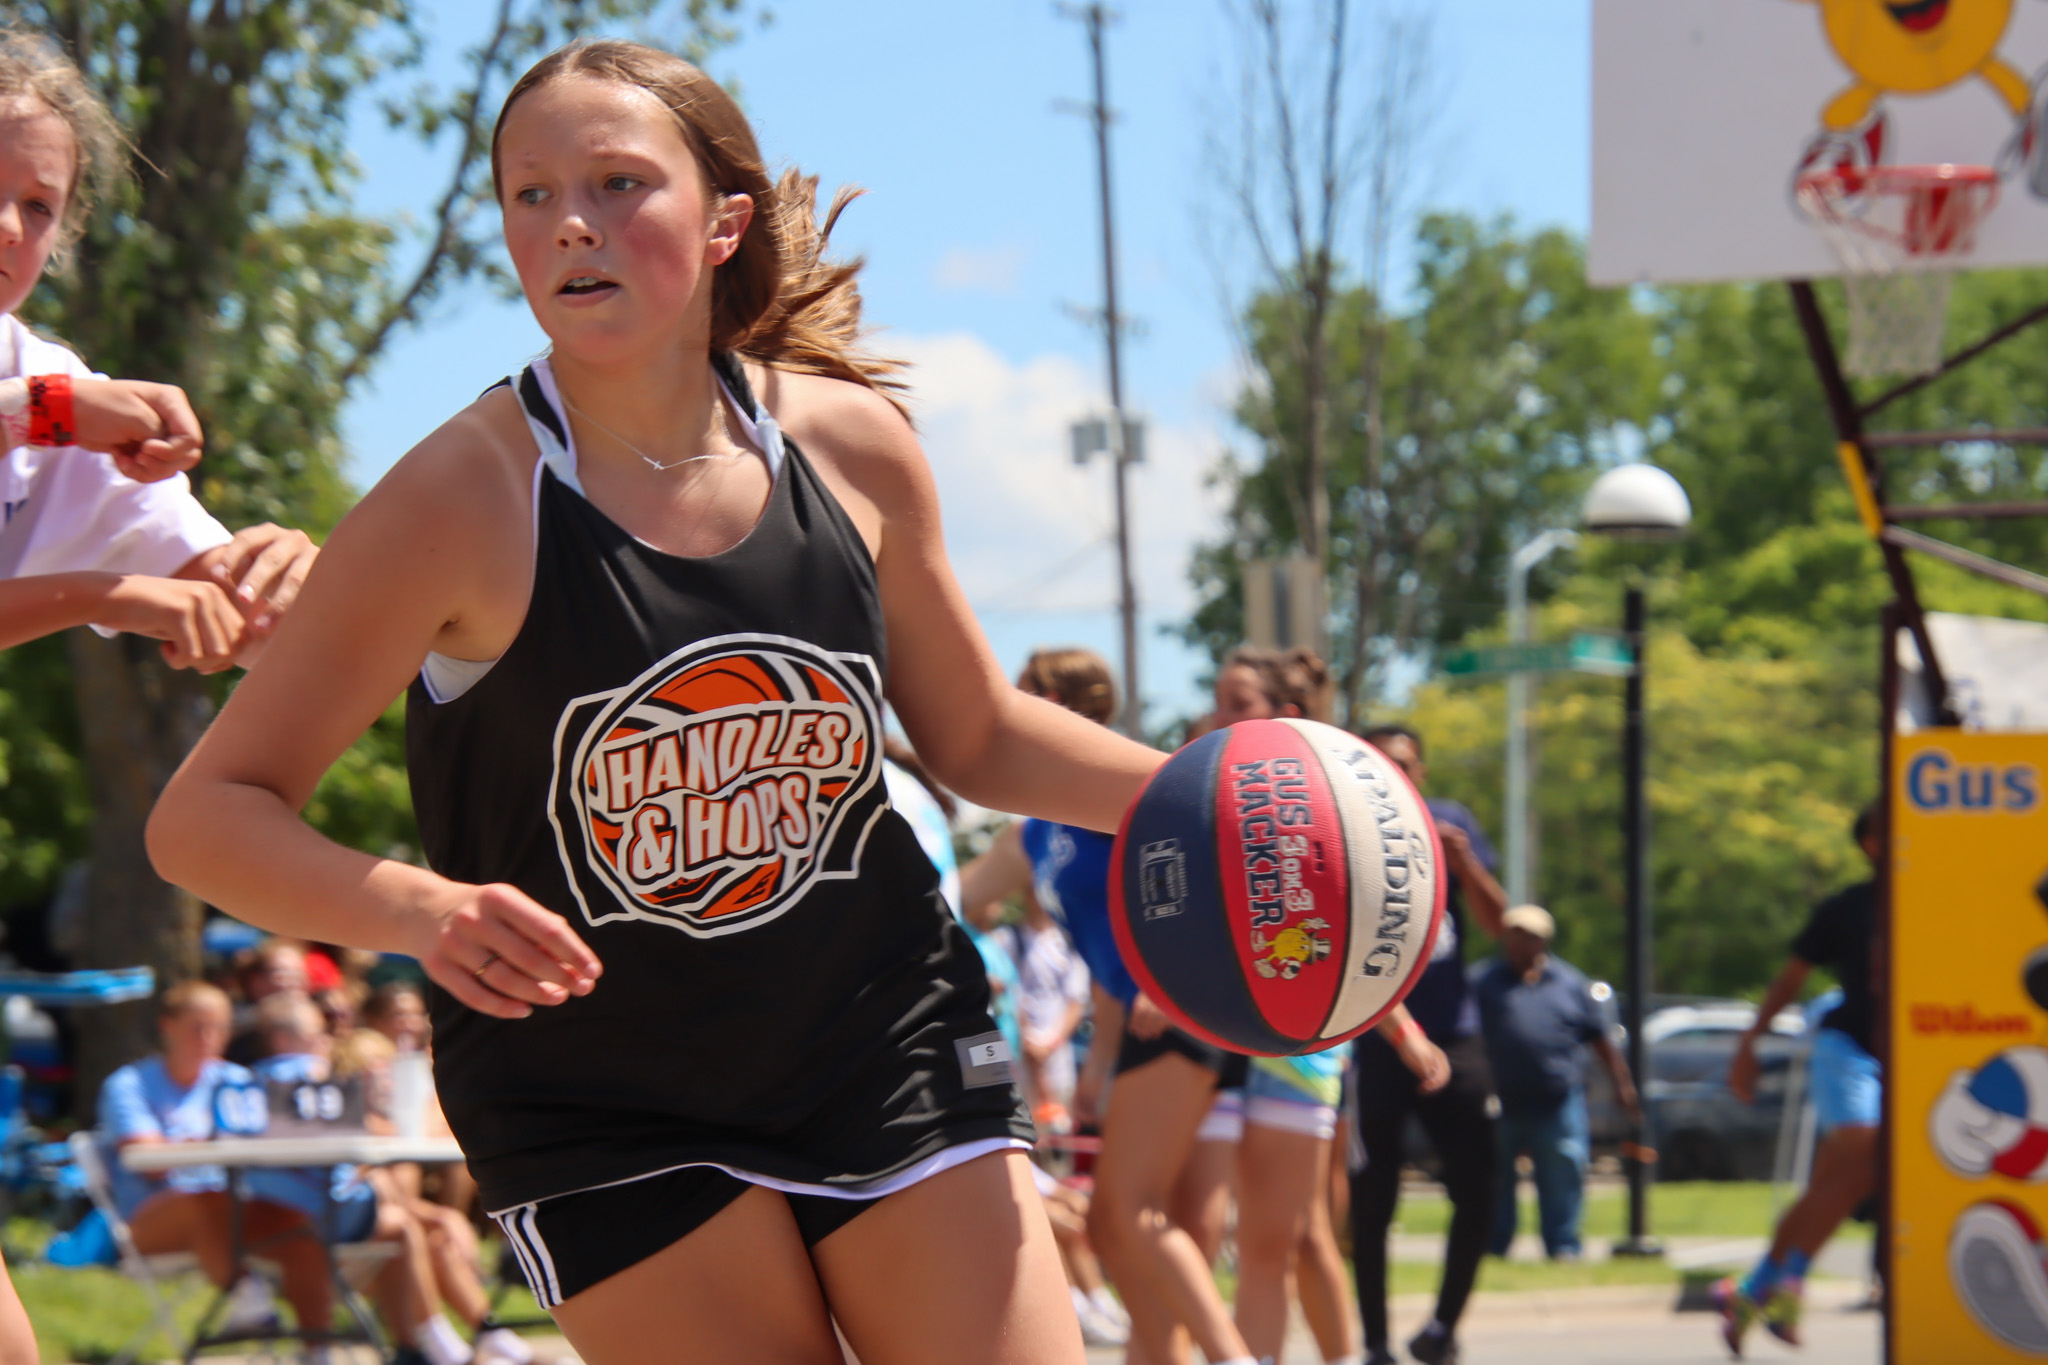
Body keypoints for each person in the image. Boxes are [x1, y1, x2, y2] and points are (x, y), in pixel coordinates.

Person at [148, 36, 1185, 1365]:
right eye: (530, 194)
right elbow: (207, 818)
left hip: (882, 1032)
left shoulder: (851, 447)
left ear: (722, 224)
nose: (569, 221)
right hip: (596, 1094)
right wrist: (419, 909)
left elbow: (974, 730)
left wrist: (1221, 800)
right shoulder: (459, 497)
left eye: (619, 182)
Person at [963, 648, 1445, 1365]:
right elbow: (984, 903)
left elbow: (1297, 909)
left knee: (1237, 1225)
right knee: (1188, 1227)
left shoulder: (1144, 787)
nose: (1218, 715)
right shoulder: (1036, 830)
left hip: (1210, 1020)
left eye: (1026, 691)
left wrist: (1400, 1028)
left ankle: (1249, 1356)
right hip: (1173, 1023)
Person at [0, 28, 316, 671]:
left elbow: (247, 620)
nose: (9, 226)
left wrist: (293, 581)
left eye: (38, 206)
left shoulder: (46, 380)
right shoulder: (54, 400)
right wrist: (42, 413)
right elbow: (46, 409)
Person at [251, 994, 535, 1365]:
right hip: (317, 1238)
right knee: (414, 1225)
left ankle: (458, 1342)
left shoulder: (342, 1110)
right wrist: (437, 1215)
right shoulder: (301, 1085)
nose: (324, 1040)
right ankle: (456, 1343)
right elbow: (360, 1188)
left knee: (415, 1225)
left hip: (340, 1231)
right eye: (317, 1033)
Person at [1352, 723, 1508, 1365]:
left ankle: (1442, 1328)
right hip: (1375, 1035)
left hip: (1453, 1033)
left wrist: (1465, 861)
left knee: (1480, 1186)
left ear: (1423, 771)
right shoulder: (1344, 825)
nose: (1400, 776)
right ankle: (1376, 1343)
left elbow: (1502, 927)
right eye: (1385, 766)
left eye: (1409, 766)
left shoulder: (1451, 824)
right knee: (1371, 1200)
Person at [1718, 804, 1883, 1355]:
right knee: (1866, 1150)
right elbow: (1790, 980)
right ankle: (1787, 1282)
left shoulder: (1939, 898)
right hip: (1849, 1049)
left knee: (1835, 1183)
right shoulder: (1847, 908)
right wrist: (1749, 1045)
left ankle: (1754, 1289)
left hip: (1905, 1056)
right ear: (1872, 844)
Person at [97, 983, 333, 1343]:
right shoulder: (130, 1085)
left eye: (218, 1028)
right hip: (149, 1222)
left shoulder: (236, 1081)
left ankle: (321, 1351)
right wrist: (213, 1140)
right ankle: (250, 1304)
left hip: (228, 1210)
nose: (208, 1038)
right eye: (197, 1027)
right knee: (208, 1203)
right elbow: (150, 1162)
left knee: (298, 1228)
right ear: (167, 1026)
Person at [1473, 905, 1640, 1262]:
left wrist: (1622, 1085)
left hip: (1558, 1101)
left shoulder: (1570, 984)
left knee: (1563, 1173)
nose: (1517, 942)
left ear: (1543, 941)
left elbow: (1601, 1040)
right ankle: (1494, 1246)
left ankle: (1563, 1247)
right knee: (1494, 1179)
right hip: (1500, 1101)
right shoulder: (1484, 982)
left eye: (1527, 936)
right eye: (1513, 934)